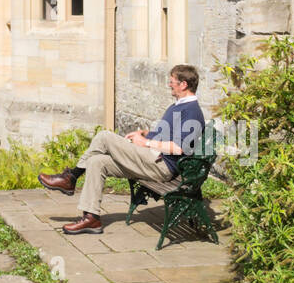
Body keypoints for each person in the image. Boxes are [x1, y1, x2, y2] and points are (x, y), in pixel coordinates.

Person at [38, 64, 206, 235]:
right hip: (152, 159)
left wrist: (145, 143)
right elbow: (165, 134)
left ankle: (71, 177)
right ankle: (91, 218)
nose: (169, 84)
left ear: (183, 84)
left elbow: (179, 148)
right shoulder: (177, 106)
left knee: (104, 136)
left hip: (162, 167)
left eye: (172, 81)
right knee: (97, 162)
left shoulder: (191, 111)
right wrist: (145, 134)